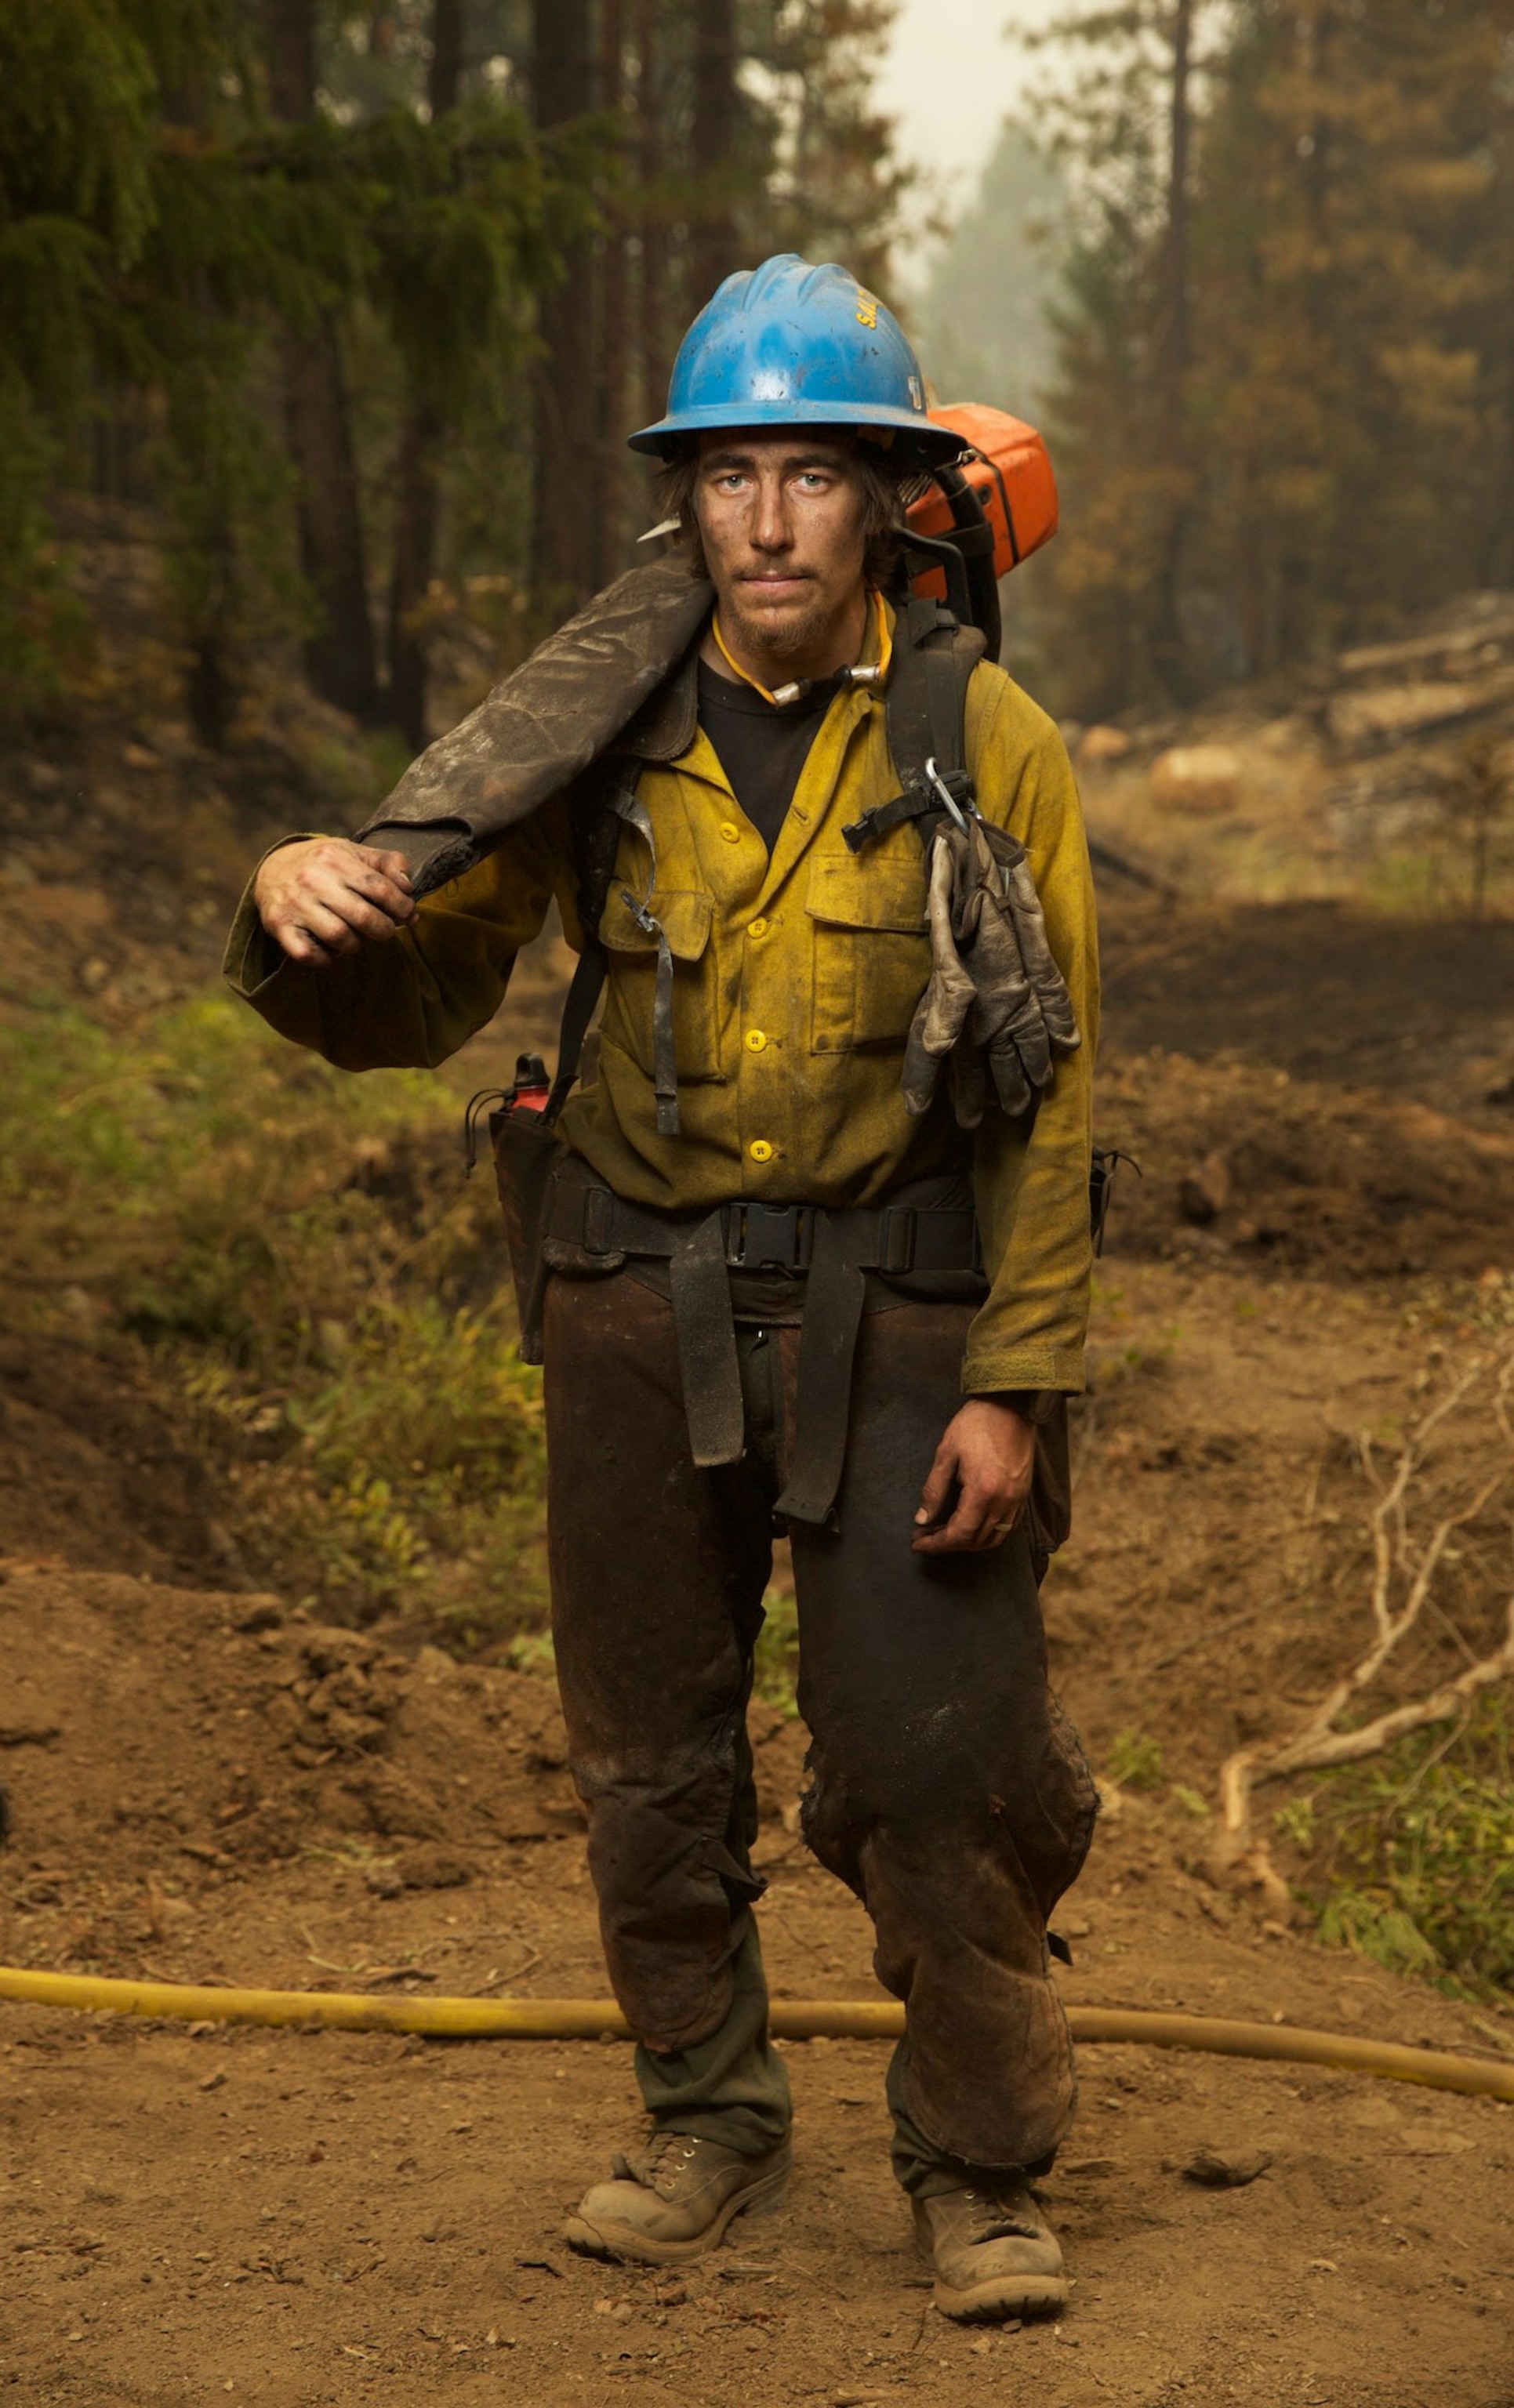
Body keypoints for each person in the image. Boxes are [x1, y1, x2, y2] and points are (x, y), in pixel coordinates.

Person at [225, 254, 1099, 2325]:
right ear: (685, 507)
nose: (770, 520)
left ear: (887, 497)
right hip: (634, 1288)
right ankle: (705, 2115)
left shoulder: (987, 739)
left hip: (905, 1304)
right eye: (731, 478)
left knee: (929, 1757)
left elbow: (1055, 1107)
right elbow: (430, 980)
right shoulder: (594, 738)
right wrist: (304, 904)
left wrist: (1018, 1385)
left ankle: (977, 2167)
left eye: (812, 473)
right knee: (646, 1756)